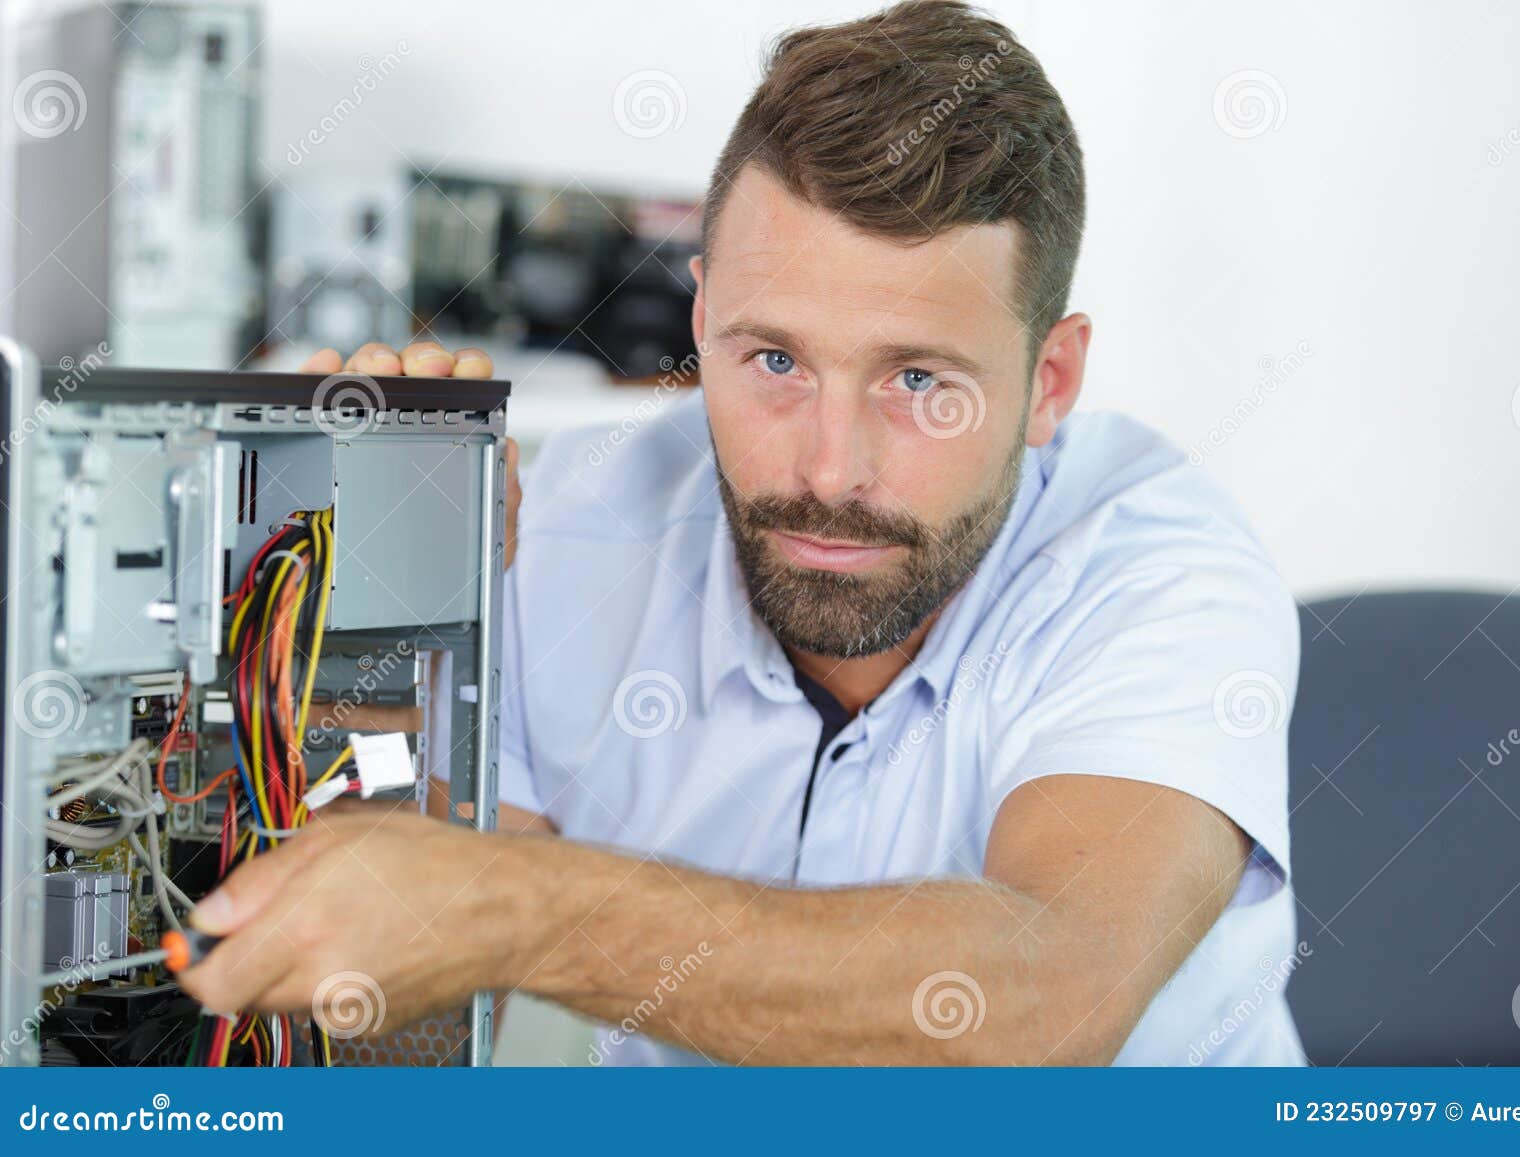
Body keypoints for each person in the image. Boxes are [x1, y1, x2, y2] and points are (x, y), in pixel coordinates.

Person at [178, 0, 1303, 1065]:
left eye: (917, 379)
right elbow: (404, 1008)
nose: (827, 469)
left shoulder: (1156, 570)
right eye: (774, 360)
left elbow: (1048, 1000)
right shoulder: (563, 533)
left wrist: (517, 910)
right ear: (703, 317)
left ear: (1048, 379)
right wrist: (393, 643)